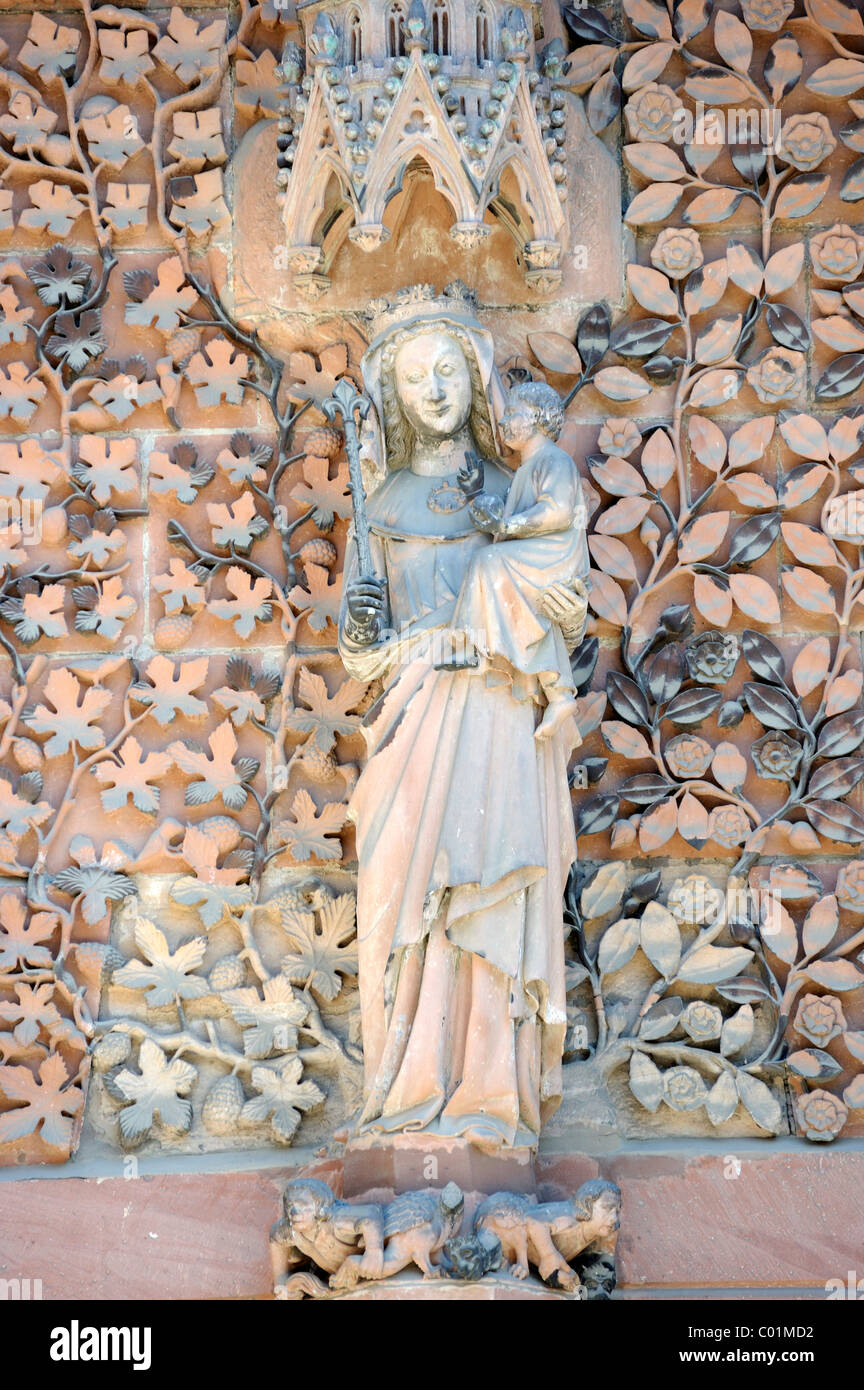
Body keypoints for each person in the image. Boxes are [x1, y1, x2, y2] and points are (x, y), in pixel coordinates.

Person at [338, 283, 589, 1149]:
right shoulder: (381, 503)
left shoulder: (519, 490)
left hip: (495, 714)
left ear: (478, 379)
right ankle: (407, 1088)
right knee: (408, 896)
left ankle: (490, 1095)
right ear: (394, 397)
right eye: (414, 378)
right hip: (414, 724)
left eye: (449, 369)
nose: (435, 390)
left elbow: (564, 599)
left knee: (493, 879)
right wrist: (404, 642)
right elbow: (361, 655)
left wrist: (490, 632)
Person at [452, 379, 590, 741]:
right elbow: (503, 524)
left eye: (513, 413)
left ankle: (471, 646)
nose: (505, 421)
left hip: (556, 555)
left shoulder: (553, 461)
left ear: (539, 419)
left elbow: (558, 512)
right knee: (526, 610)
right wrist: (478, 497)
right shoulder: (526, 470)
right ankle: (559, 692)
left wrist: (508, 524)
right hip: (539, 556)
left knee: (488, 562)